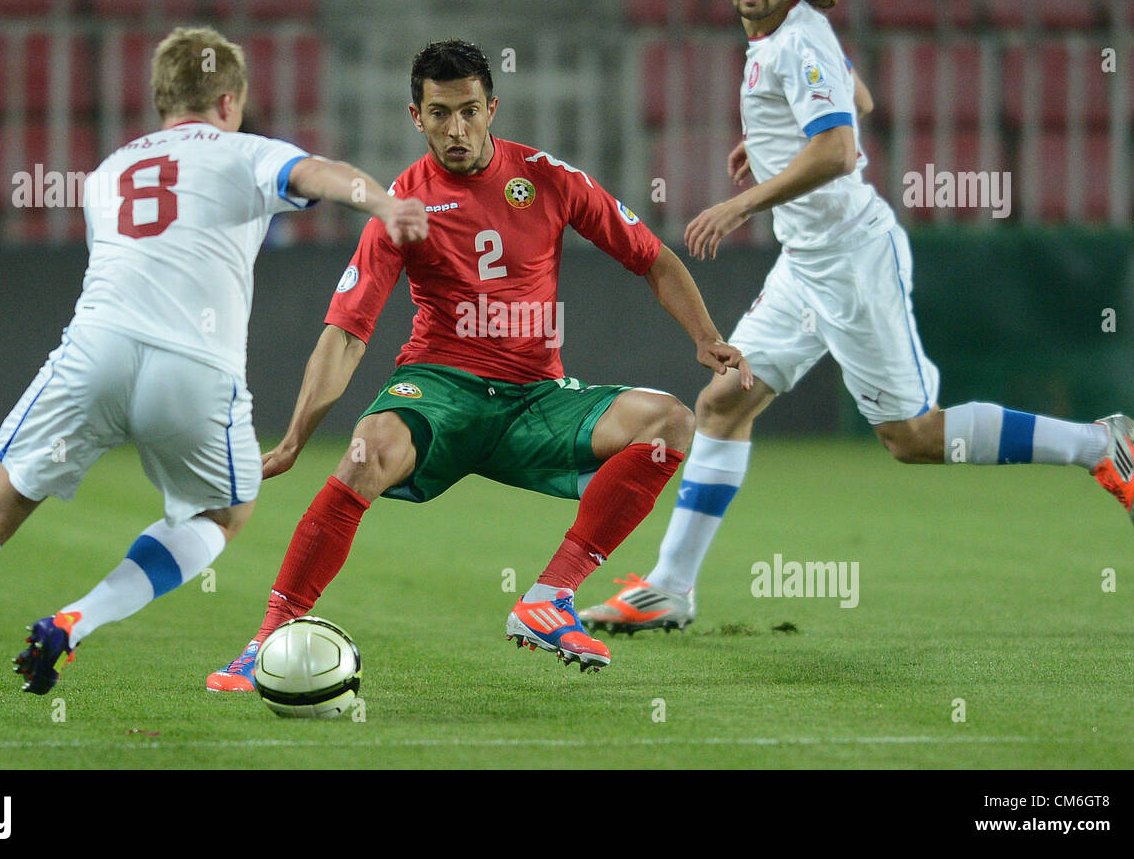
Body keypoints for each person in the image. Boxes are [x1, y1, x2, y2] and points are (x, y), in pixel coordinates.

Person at [579, 0, 1134, 634]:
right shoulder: (784, 37)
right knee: (724, 401)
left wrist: (745, 200)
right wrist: (775, 144)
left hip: (851, 260)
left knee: (912, 438)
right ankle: (670, 587)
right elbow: (860, 96)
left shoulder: (795, 42)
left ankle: (1098, 444)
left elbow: (841, 149)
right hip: (808, 261)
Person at [0, 26, 429, 722]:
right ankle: (77, 618)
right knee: (222, 515)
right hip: (193, 368)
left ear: (164, 99)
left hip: (94, 351)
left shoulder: (109, 171)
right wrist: (383, 203)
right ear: (230, 100)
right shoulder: (243, 151)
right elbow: (316, 172)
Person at [206, 38, 751, 686]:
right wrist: (298, 435)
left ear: (493, 108)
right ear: (417, 117)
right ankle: (265, 640)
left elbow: (651, 257)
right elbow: (348, 330)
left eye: (468, 111)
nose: (456, 129)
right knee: (365, 451)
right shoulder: (402, 205)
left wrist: (703, 333)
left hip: (534, 400)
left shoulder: (548, 177)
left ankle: (549, 599)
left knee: (669, 421)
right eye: (439, 114)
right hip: (439, 390)